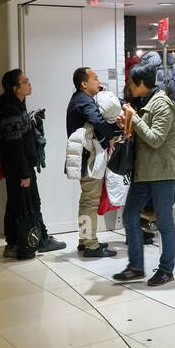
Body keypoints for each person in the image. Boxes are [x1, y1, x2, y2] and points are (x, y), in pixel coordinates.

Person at [113, 61, 175, 287]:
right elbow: (141, 137)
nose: (129, 87)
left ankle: (166, 270)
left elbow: (155, 139)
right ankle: (135, 267)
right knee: (130, 215)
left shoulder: (163, 104)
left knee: (164, 222)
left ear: (142, 83)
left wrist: (135, 118)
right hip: (144, 172)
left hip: (162, 172)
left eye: (132, 83)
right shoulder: (144, 101)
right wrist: (127, 125)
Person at [66, 66, 119, 258]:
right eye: (95, 78)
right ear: (84, 83)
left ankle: (85, 239)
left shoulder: (80, 99)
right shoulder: (84, 101)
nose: (99, 81)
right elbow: (97, 120)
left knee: (87, 200)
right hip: (88, 159)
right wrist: (113, 134)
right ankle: (90, 244)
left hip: (83, 157)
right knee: (90, 201)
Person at [0, 69, 42, 260]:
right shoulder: (11, 110)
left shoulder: (17, 106)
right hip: (18, 168)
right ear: (15, 88)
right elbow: (15, 145)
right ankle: (16, 243)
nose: (29, 84)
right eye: (25, 82)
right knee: (18, 204)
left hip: (20, 166)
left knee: (25, 203)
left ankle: (33, 239)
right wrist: (24, 173)